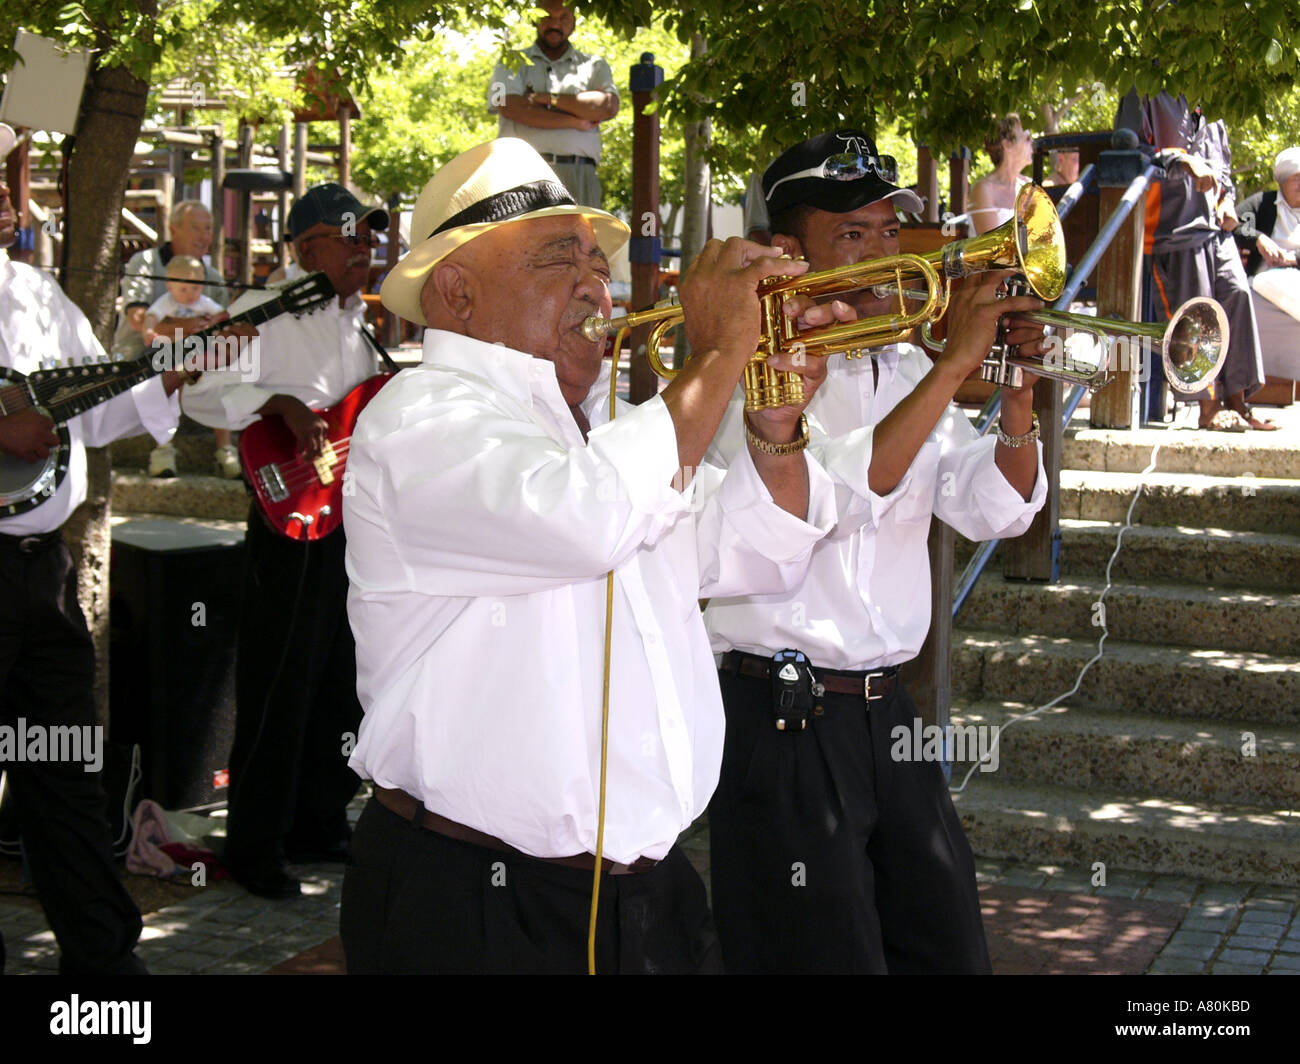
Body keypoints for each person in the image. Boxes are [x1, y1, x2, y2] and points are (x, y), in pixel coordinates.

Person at [338, 137, 843, 974]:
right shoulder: (416, 416)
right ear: (458, 291)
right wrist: (718, 354)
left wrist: (777, 421)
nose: (593, 284)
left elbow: (763, 549)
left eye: (594, 261)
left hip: (647, 897)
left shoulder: (607, 435)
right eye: (556, 259)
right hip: (481, 903)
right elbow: (583, 519)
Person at [703, 129, 1050, 974]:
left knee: (947, 948)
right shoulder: (744, 369)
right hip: (780, 717)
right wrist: (958, 361)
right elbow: (846, 491)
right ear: (791, 252)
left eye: (890, 232)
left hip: (888, 711)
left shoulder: (900, 366)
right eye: (854, 235)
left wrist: (1014, 402)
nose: (885, 253)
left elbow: (992, 507)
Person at [0, 129, 193, 973]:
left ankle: (108, 974)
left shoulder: (38, 296)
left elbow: (94, 411)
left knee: (63, 778)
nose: (10, 202)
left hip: (41, 582)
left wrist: (168, 373)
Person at [182, 182, 389, 900]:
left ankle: (317, 822)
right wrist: (274, 401)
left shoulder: (357, 320)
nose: (367, 248)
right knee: (277, 685)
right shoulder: (260, 311)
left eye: (371, 236)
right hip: (284, 518)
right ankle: (255, 844)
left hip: (346, 523)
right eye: (351, 235)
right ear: (307, 248)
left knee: (338, 678)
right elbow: (198, 391)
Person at [1116, 89, 1272, 431]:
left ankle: (1238, 401)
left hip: (1216, 229)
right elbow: (1125, 151)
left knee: (1239, 294)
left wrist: (1228, 201)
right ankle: (1208, 407)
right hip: (1174, 232)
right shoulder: (1142, 88)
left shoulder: (1212, 87)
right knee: (1196, 312)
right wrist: (1179, 159)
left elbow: (1223, 170)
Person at [113, 199, 238, 476]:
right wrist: (189, 324)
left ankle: (226, 452)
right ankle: (163, 452)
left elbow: (222, 324)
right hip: (143, 357)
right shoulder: (144, 263)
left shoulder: (212, 278)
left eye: (208, 229)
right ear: (173, 229)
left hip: (195, 358)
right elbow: (138, 320)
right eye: (196, 228)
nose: (204, 236)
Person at [486, 1, 618, 208]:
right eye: (547, 16)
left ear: (573, 23)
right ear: (534, 19)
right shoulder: (508, 62)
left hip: (579, 174)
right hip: (521, 173)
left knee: (584, 240)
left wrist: (544, 98)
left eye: (563, 17)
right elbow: (507, 105)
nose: (554, 24)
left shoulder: (595, 66)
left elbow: (607, 107)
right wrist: (575, 120)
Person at [1234, 147, 1300, 318]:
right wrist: (1258, 238)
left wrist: (1294, 259)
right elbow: (1235, 224)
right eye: (1297, 178)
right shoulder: (1263, 203)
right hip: (1262, 284)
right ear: (1282, 180)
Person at [969, 113, 1034, 234]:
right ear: (1007, 144)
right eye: (1027, 138)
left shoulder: (1029, 187)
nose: (1032, 144)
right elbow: (992, 248)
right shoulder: (983, 189)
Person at [141, 255, 223, 347]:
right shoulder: (167, 301)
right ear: (170, 287)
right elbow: (152, 316)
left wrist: (211, 324)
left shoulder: (204, 301)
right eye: (183, 290)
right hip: (173, 346)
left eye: (196, 288)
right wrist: (149, 330)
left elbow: (221, 313)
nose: (190, 294)